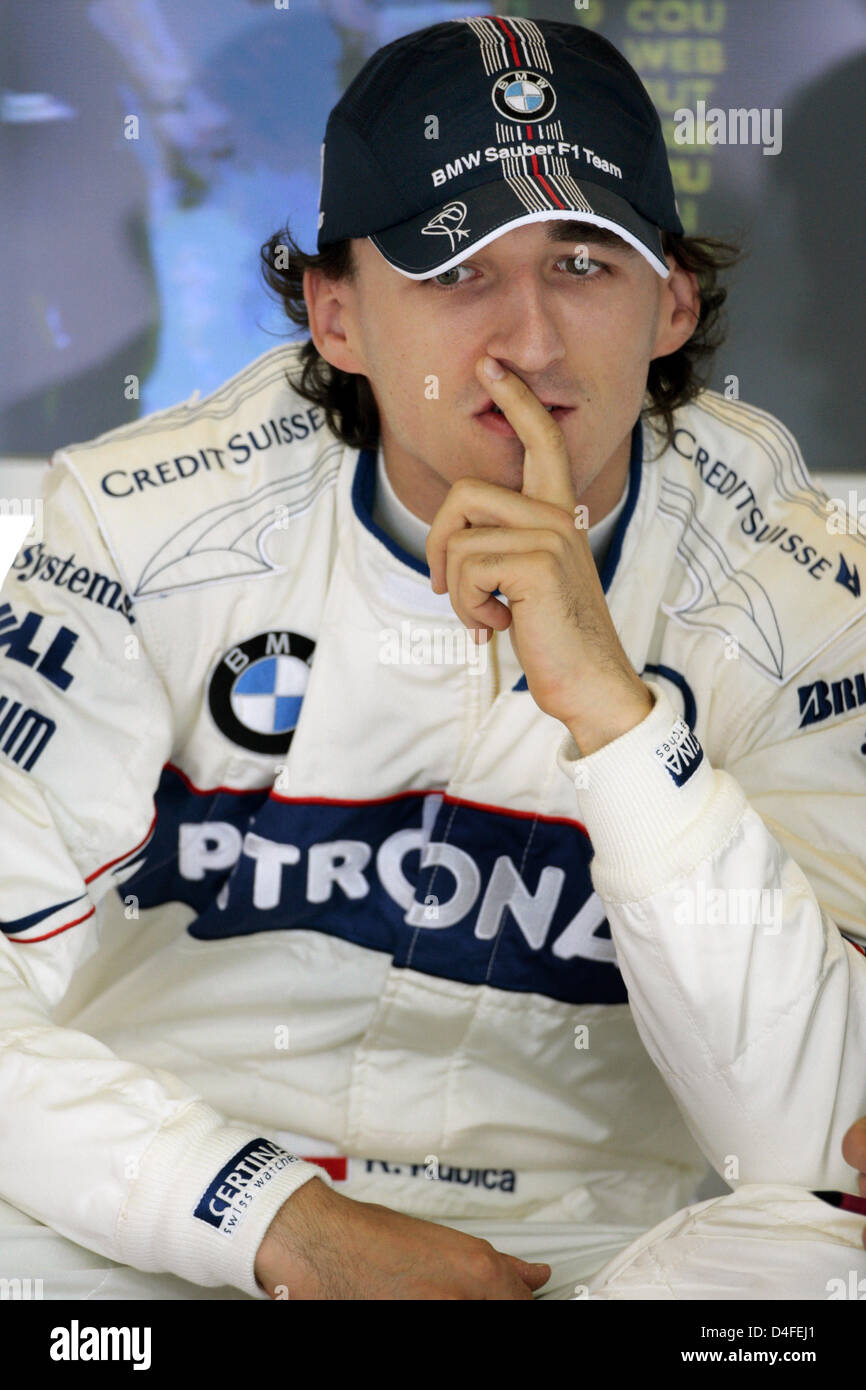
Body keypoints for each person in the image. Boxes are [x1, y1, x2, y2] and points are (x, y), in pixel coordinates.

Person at [0, 16, 864, 1302]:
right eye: (454, 269)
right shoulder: (144, 526)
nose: (525, 339)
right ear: (334, 314)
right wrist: (284, 1224)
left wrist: (616, 721)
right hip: (178, 1224)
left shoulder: (793, 594)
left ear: (670, 302)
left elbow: (819, 1138)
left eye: (581, 261)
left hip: (575, 1261)